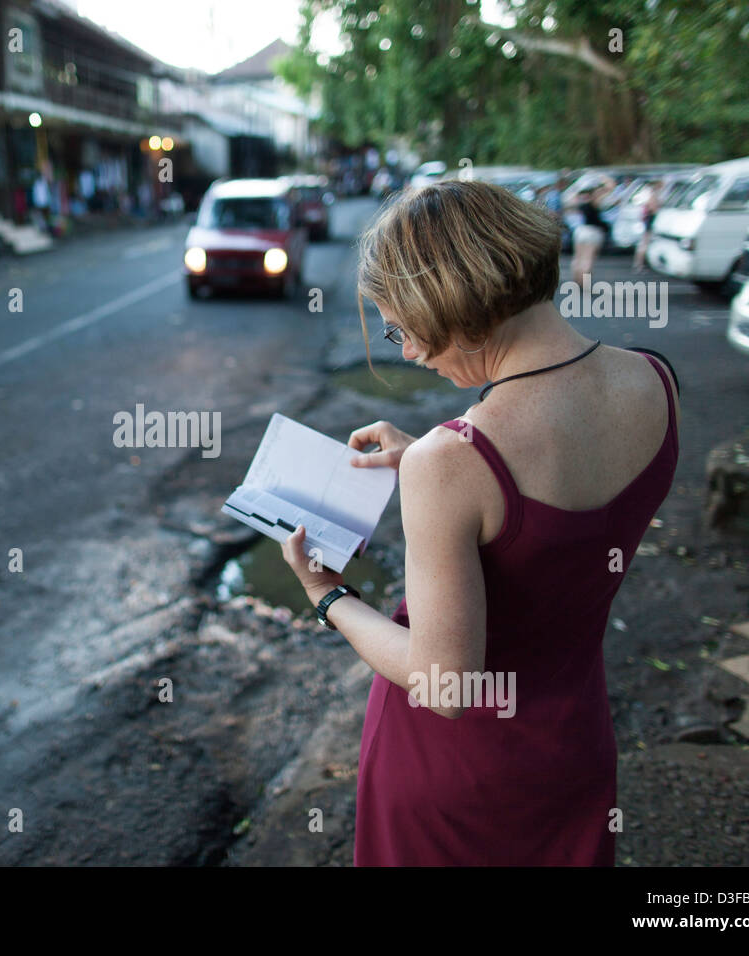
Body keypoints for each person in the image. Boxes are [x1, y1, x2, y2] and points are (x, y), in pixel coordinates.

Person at [280, 180, 681, 865]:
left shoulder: (456, 462)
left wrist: (327, 595)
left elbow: (446, 685)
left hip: (456, 782)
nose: (408, 352)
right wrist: (444, 465)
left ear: (451, 306)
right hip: (574, 750)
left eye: (401, 328)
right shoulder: (654, 381)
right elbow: (559, 537)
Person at [568, 177, 615, 285]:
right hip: (593, 231)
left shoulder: (581, 202)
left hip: (581, 230)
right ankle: (585, 283)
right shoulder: (596, 202)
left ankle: (577, 280)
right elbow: (609, 191)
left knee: (578, 258)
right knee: (588, 259)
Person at [633, 179, 664, 273]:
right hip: (651, 220)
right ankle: (639, 264)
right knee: (645, 244)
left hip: (647, 220)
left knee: (644, 243)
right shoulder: (652, 194)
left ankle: (639, 264)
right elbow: (653, 208)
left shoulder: (646, 193)